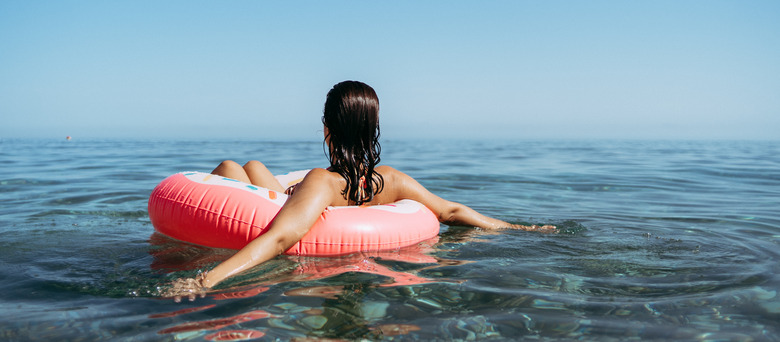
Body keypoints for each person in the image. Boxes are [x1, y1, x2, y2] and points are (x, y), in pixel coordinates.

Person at [166, 81, 555, 300]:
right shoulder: (390, 180)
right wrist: (519, 230)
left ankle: (182, 242)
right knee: (253, 167)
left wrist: (205, 280)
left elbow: (282, 235)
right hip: (345, 227)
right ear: (373, 130)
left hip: (293, 232)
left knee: (236, 168)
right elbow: (451, 211)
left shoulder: (323, 181)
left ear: (326, 129)